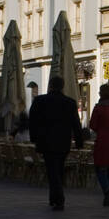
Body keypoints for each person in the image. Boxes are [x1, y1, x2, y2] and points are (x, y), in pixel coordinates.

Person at [28, 76, 84, 211]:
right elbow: (76, 124)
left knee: (52, 169)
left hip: (46, 141)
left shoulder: (40, 101)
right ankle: (54, 198)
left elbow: (32, 121)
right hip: (63, 141)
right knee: (58, 168)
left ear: (50, 86)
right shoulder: (69, 102)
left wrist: (34, 138)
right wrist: (79, 141)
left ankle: (58, 199)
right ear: (62, 86)